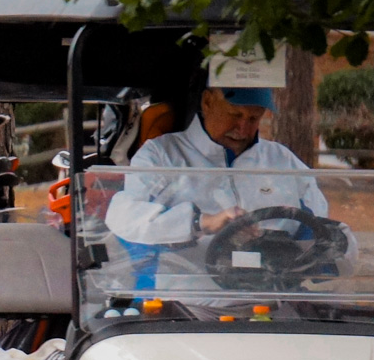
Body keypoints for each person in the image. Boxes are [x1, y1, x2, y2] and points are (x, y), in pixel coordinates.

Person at [106, 87, 328, 268]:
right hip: (189, 298)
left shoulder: (281, 159)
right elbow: (125, 218)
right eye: (235, 115)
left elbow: (320, 222)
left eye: (253, 118)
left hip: (270, 293)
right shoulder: (162, 155)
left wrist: (310, 252)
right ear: (208, 101)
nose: (243, 128)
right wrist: (202, 222)